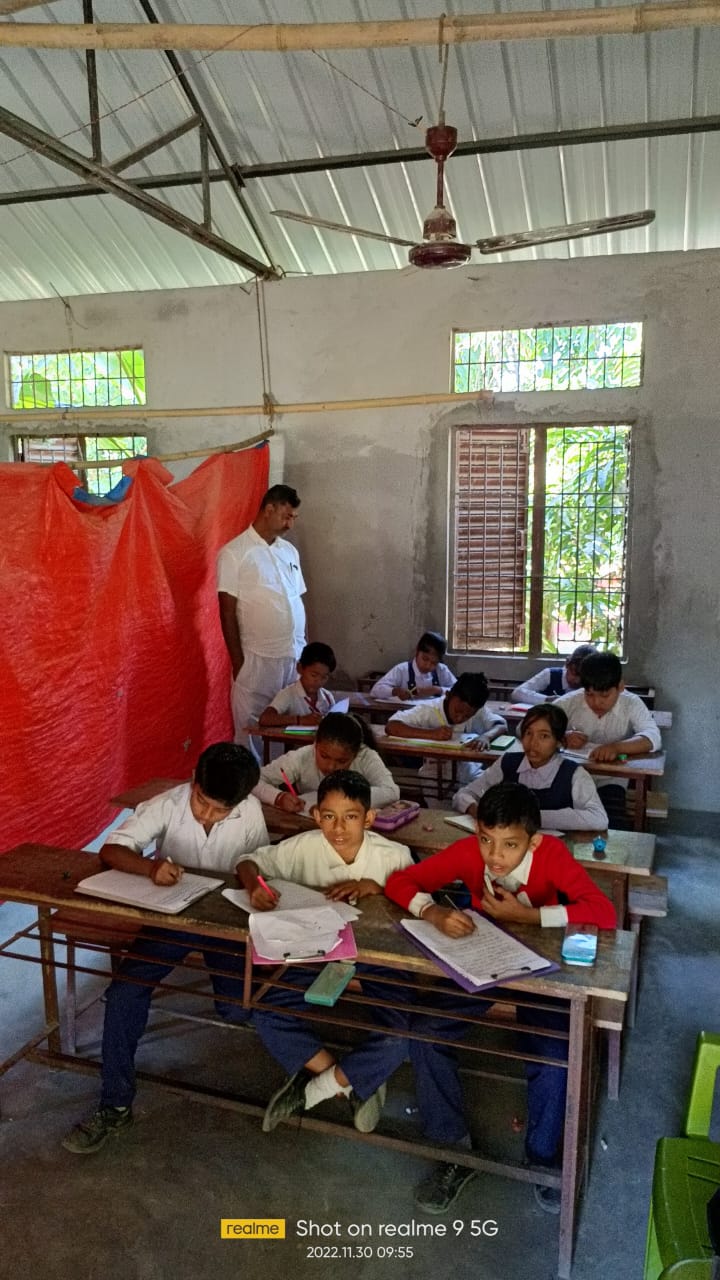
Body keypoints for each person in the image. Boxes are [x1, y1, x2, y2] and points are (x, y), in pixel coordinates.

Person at [384, 782, 616, 1215]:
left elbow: (602, 911)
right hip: (481, 959)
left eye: (510, 845)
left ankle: (543, 1157)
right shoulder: (470, 852)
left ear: (534, 840)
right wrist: (432, 911)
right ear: (476, 831)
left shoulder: (553, 857)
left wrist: (529, 916)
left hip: (540, 968)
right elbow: (402, 881)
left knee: (553, 1057)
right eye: (486, 840)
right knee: (426, 1032)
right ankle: (454, 1150)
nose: (494, 856)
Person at [62, 743, 267, 1155]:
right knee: (124, 994)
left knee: (236, 1007)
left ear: (240, 802)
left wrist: (253, 882)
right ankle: (115, 1102)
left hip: (225, 918)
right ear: (193, 784)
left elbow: (253, 856)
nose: (206, 815)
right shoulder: (168, 803)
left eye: (219, 811)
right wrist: (150, 867)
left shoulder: (251, 811)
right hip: (172, 915)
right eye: (202, 803)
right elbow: (112, 849)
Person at [237, 770, 414, 1134]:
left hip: (379, 958)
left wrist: (377, 888)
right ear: (316, 815)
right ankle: (352, 1082)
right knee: (266, 1010)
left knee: (405, 1032)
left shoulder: (394, 856)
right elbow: (248, 862)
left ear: (368, 818)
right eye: (329, 816)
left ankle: (315, 1086)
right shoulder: (303, 846)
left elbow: (418, 904)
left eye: (350, 817)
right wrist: (255, 885)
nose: (338, 828)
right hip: (316, 950)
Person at [217, 484, 305, 752]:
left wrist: (303, 648)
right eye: (286, 516)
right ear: (269, 509)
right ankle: (253, 790)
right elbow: (227, 610)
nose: (290, 523)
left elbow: (297, 599)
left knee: (288, 729)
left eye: (293, 518)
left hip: (292, 656)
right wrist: (238, 662)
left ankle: (283, 788)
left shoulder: (289, 552)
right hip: (256, 660)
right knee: (252, 731)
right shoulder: (234, 553)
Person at [453, 704, 608, 831]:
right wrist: (476, 810)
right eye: (528, 733)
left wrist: (530, 818)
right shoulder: (508, 763)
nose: (533, 743)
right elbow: (463, 795)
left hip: (553, 855)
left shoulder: (573, 774)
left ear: (559, 741)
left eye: (544, 736)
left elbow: (599, 819)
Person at [555, 651, 661, 829]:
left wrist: (617, 747)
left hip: (611, 779)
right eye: (589, 694)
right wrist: (562, 737)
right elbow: (527, 726)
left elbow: (653, 738)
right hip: (571, 777)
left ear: (620, 686)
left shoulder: (631, 703)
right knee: (561, 821)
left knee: (612, 824)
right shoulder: (571, 701)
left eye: (604, 696)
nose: (596, 702)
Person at [254, 711, 400, 813]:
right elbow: (254, 779)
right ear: (315, 744)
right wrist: (278, 797)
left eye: (342, 761)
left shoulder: (366, 756)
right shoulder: (303, 757)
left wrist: (342, 799)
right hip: (310, 829)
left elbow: (391, 791)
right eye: (324, 756)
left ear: (355, 754)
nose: (331, 767)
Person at [385, 672, 507, 785]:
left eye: (467, 716)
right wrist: (431, 734)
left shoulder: (478, 710)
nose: (460, 718)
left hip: (470, 773)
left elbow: (501, 725)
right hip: (435, 776)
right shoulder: (429, 709)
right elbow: (392, 726)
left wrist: (486, 736)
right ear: (448, 695)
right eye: (457, 711)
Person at [258, 641, 336, 728]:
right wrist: (300, 720)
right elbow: (265, 719)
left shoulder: (327, 697)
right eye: (314, 675)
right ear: (300, 668)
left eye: (324, 677)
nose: (318, 681)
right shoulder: (288, 694)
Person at [370, 631, 456, 701]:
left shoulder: (441, 670)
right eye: (425, 659)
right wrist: (395, 691)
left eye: (434, 663)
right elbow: (375, 690)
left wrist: (437, 690)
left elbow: (458, 691)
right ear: (417, 651)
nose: (428, 665)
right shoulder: (402, 670)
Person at [511, 644, 596, 706]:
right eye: (574, 673)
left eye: (583, 677)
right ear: (567, 664)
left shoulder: (593, 684)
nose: (577, 680)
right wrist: (546, 699)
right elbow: (517, 693)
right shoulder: (550, 674)